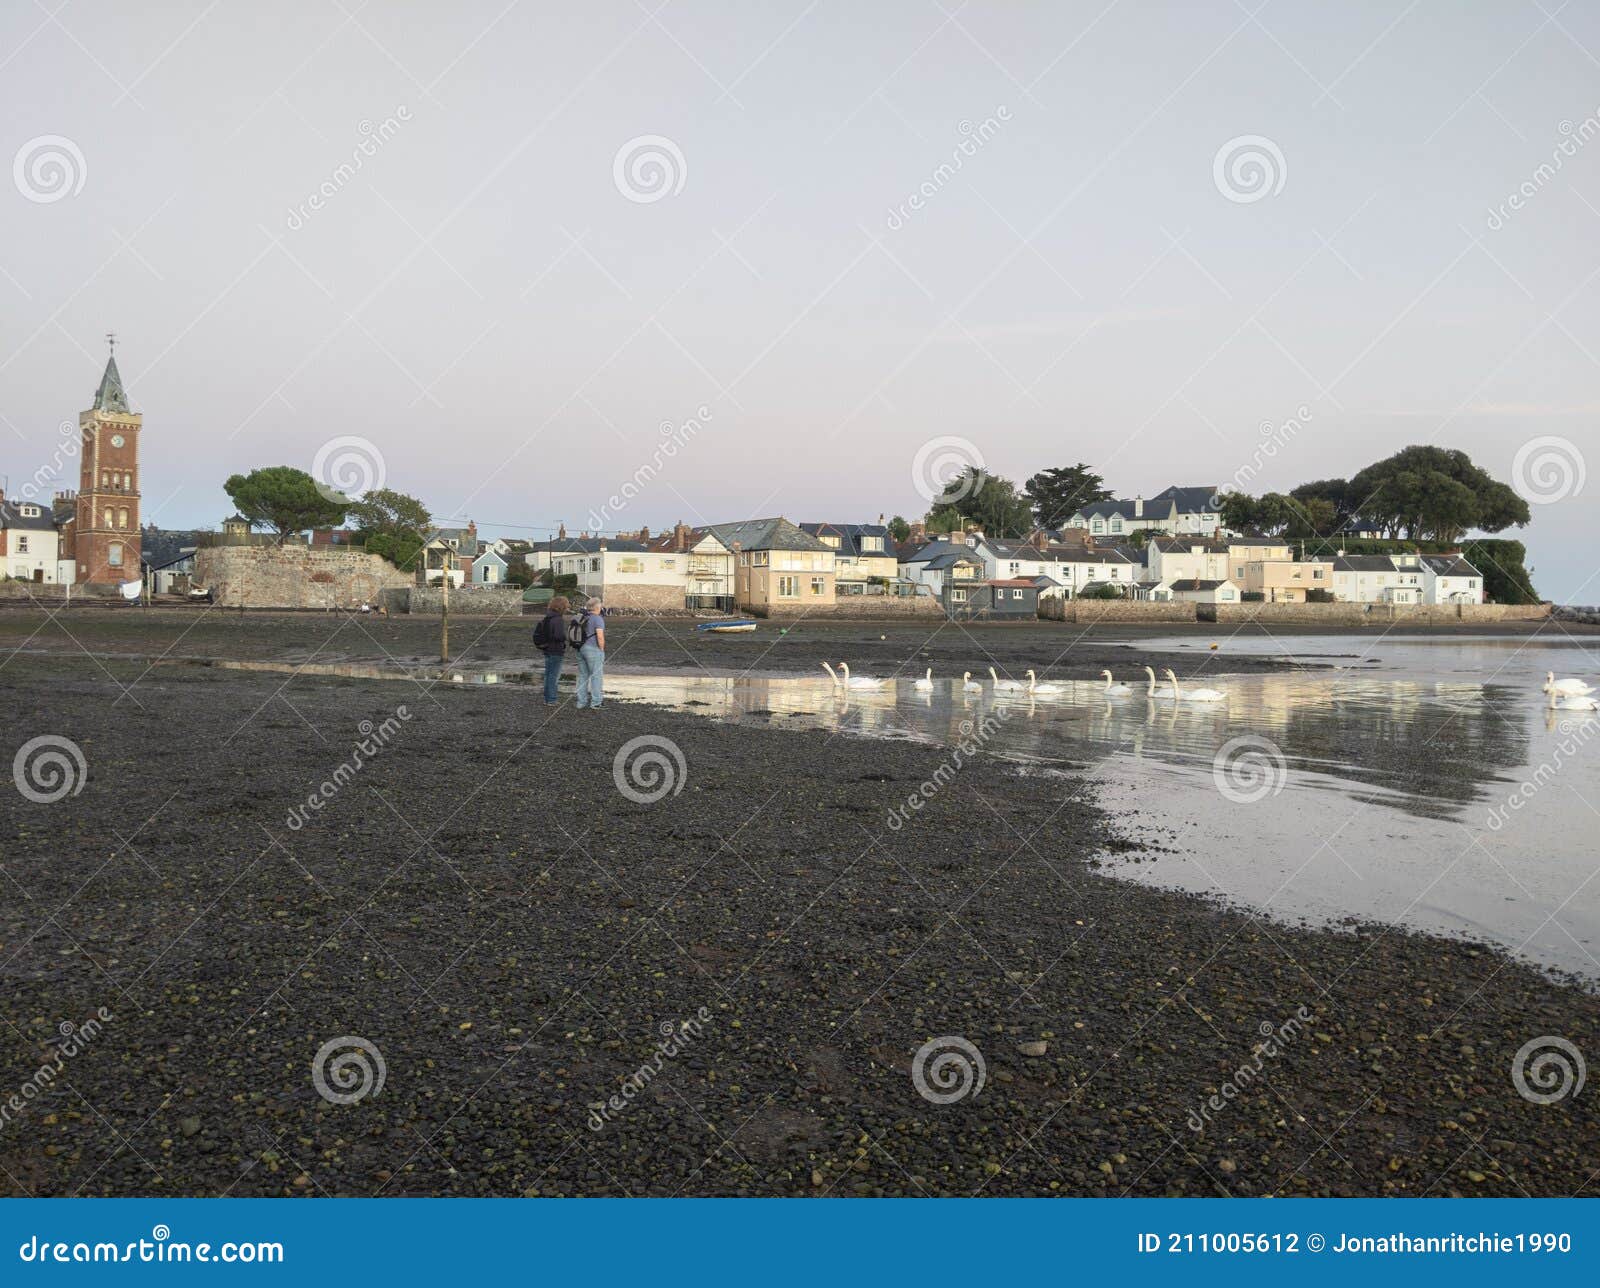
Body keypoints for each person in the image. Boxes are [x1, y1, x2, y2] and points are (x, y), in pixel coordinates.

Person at [532, 595, 569, 704]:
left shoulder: (547, 617)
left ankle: (548, 698)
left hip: (547, 649)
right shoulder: (558, 619)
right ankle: (551, 700)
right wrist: (565, 637)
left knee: (548, 675)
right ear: (562, 607)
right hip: (556, 650)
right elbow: (558, 636)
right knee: (553, 676)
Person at [573, 596, 606, 710]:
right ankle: (596, 702)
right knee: (596, 676)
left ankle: (581, 703)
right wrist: (601, 649)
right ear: (597, 607)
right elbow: (600, 637)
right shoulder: (598, 619)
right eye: (600, 605)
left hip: (580, 648)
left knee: (583, 676)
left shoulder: (582, 617)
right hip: (593, 649)